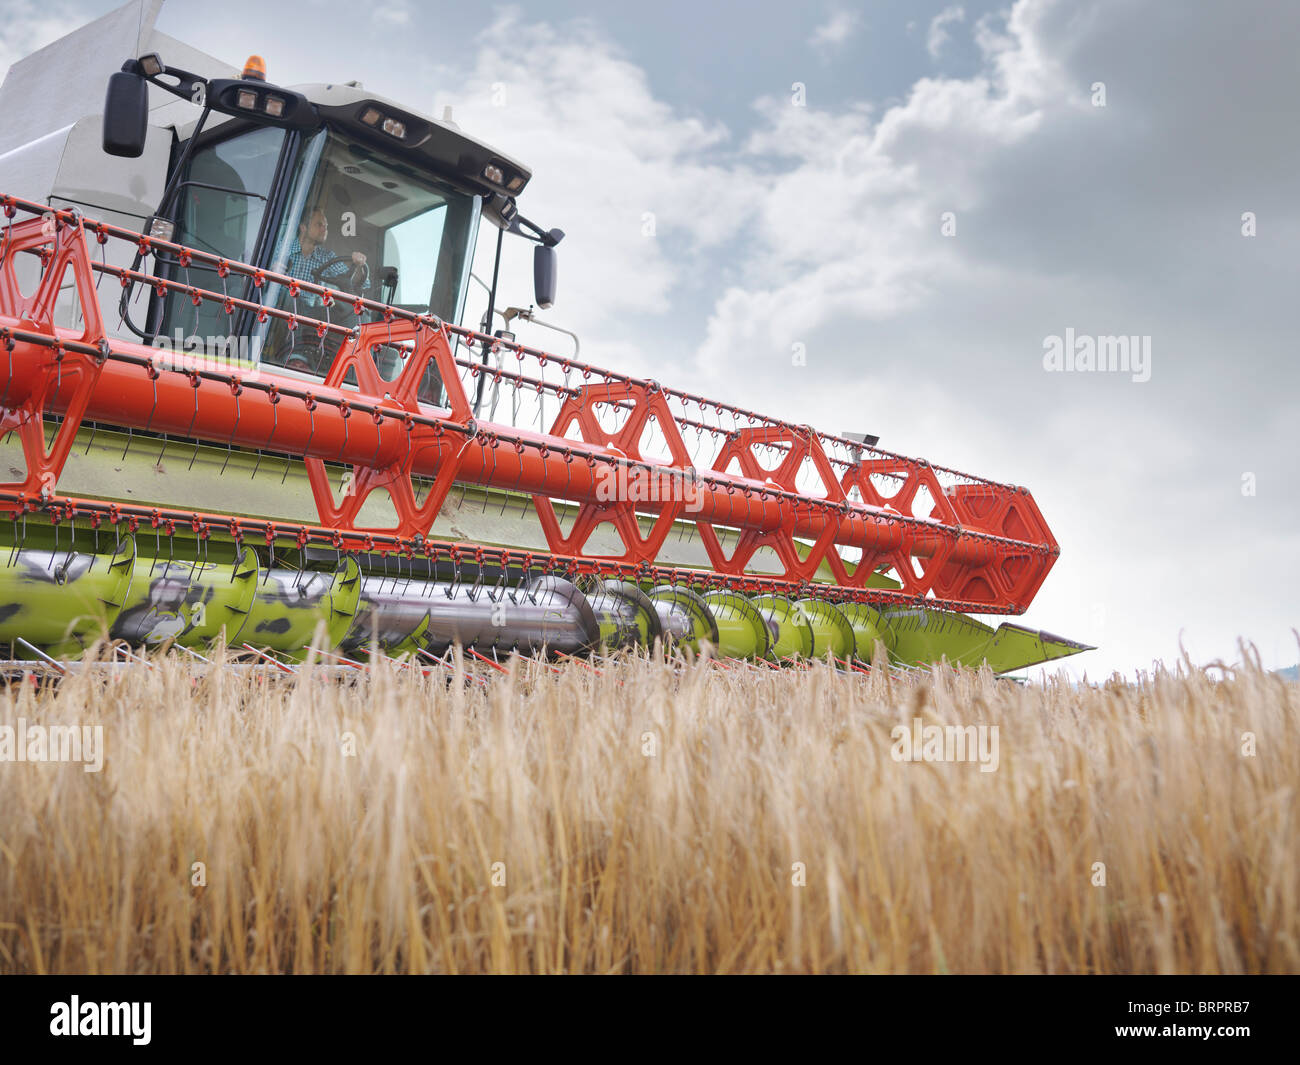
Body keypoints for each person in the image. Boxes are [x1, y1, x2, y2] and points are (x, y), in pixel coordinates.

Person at [284, 206, 370, 303]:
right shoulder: (282, 250)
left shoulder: (327, 257)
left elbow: (361, 284)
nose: (324, 229)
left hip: (310, 314)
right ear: (303, 228)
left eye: (326, 226)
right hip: (280, 309)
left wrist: (358, 265)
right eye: (319, 225)